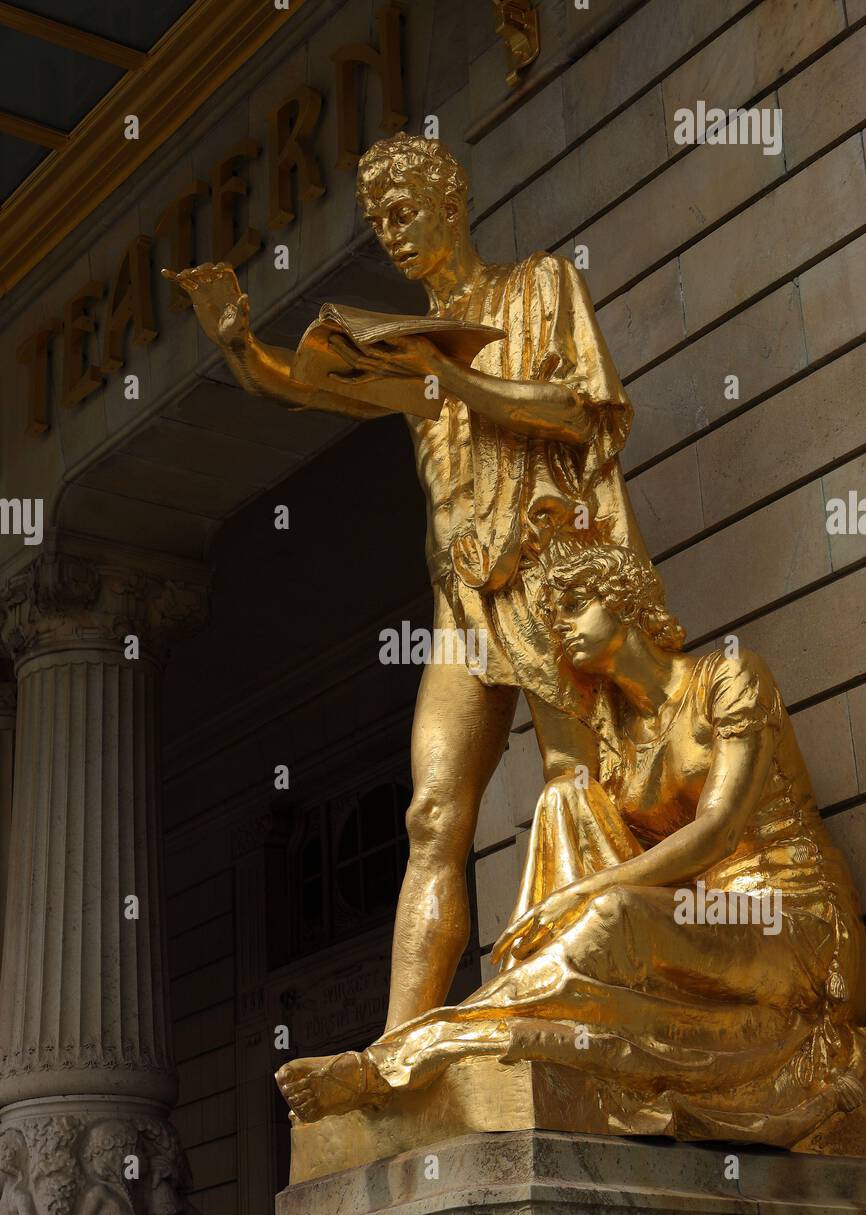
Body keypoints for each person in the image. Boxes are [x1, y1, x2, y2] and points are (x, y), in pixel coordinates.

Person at [167, 133, 650, 1032]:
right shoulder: (404, 353)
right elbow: (296, 387)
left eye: (402, 212)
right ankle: (397, 1050)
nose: (389, 233)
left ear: (449, 203)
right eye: (377, 220)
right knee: (431, 814)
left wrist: (447, 376)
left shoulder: (536, 287)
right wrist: (236, 341)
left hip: (549, 572)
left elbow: (579, 412)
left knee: (575, 779)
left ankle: (589, 1000)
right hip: (461, 605)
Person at [276, 543, 866, 1150]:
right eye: (556, 614)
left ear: (628, 604)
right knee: (566, 799)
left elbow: (717, 829)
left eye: (577, 605)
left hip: (790, 920)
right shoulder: (617, 740)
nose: (563, 625)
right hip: (699, 921)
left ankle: (395, 1059)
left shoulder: (730, 676)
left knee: (617, 914)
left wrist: (585, 894)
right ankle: (476, 1035)